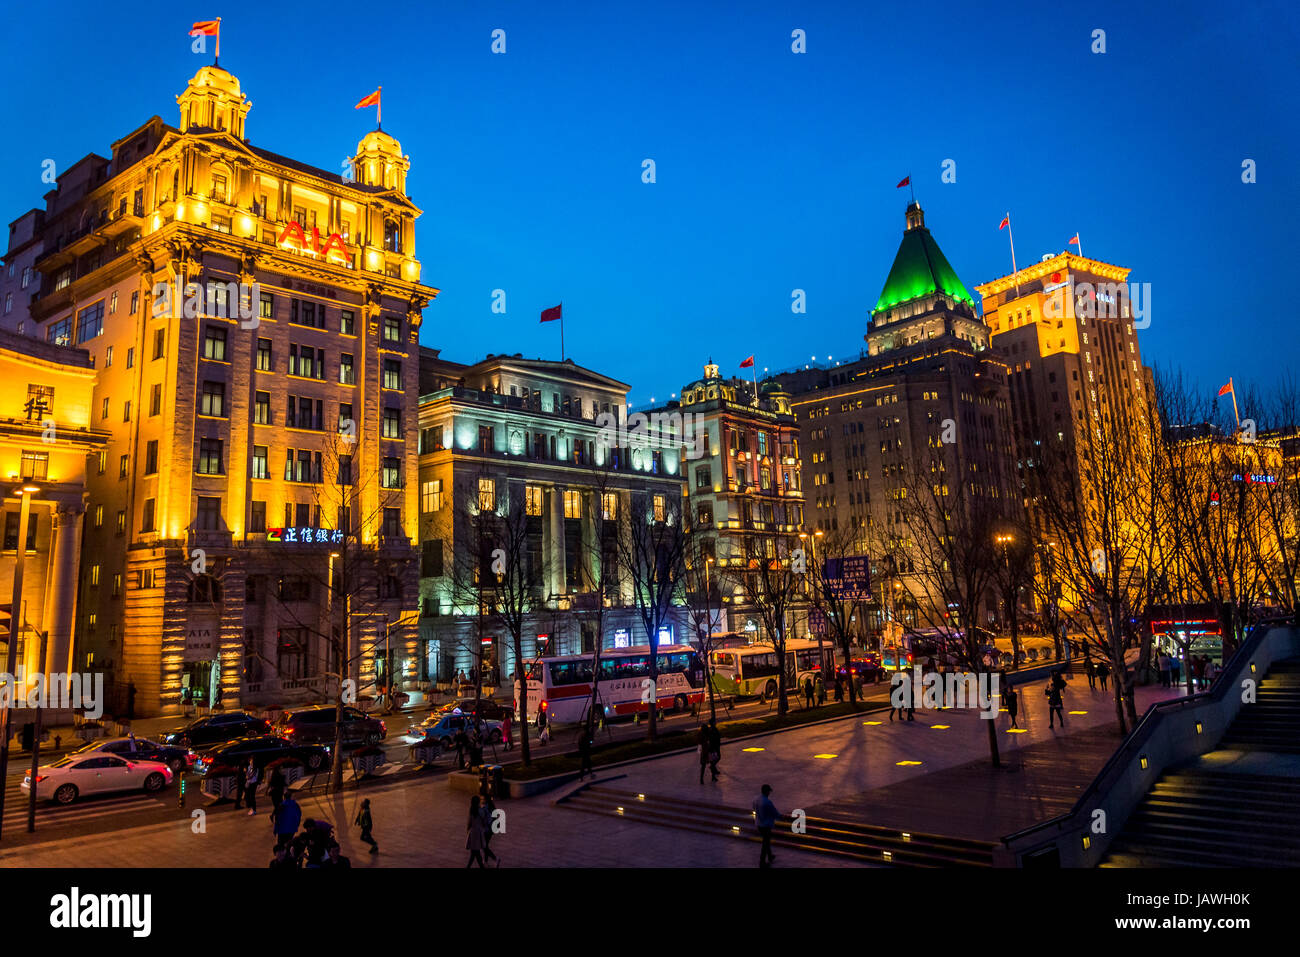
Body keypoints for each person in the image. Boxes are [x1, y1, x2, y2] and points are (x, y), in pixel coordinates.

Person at [753, 784, 778, 868]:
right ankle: (762, 861)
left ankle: (770, 856)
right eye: (769, 791)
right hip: (766, 825)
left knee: (766, 841)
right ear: (767, 792)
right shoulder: (767, 802)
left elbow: (754, 808)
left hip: (758, 824)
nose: (769, 793)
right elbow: (774, 812)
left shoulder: (756, 799)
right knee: (765, 843)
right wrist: (780, 817)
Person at [466, 795, 488, 868]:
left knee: (474, 852)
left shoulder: (471, 810)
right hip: (479, 833)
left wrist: (467, 830)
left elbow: (469, 822)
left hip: (473, 833)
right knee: (476, 852)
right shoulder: (481, 810)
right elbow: (484, 822)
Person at [480, 791, 499, 864]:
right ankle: (485, 861)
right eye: (481, 799)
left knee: (484, 846)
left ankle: (495, 859)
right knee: (485, 845)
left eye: (483, 799)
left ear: (486, 799)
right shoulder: (491, 806)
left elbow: (486, 819)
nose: (481, 801)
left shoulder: (486, 808)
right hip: (490, 830)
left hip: (487, 830)